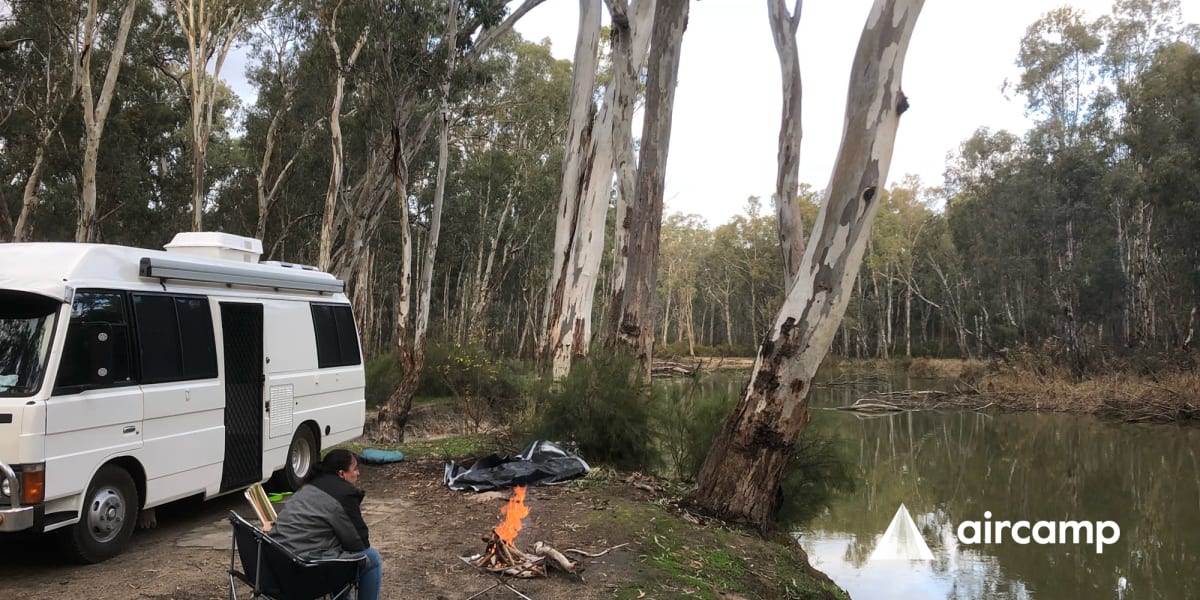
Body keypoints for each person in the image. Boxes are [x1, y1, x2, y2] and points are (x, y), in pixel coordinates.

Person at [270, 449, 382, 600]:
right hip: (303, 572)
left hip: (274, 566)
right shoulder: (343, 494)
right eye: (355, 469)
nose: (358, 473)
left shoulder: (308, 486)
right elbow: (359, 543)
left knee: (336, 553)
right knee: (372, 558)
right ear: (342, 473)